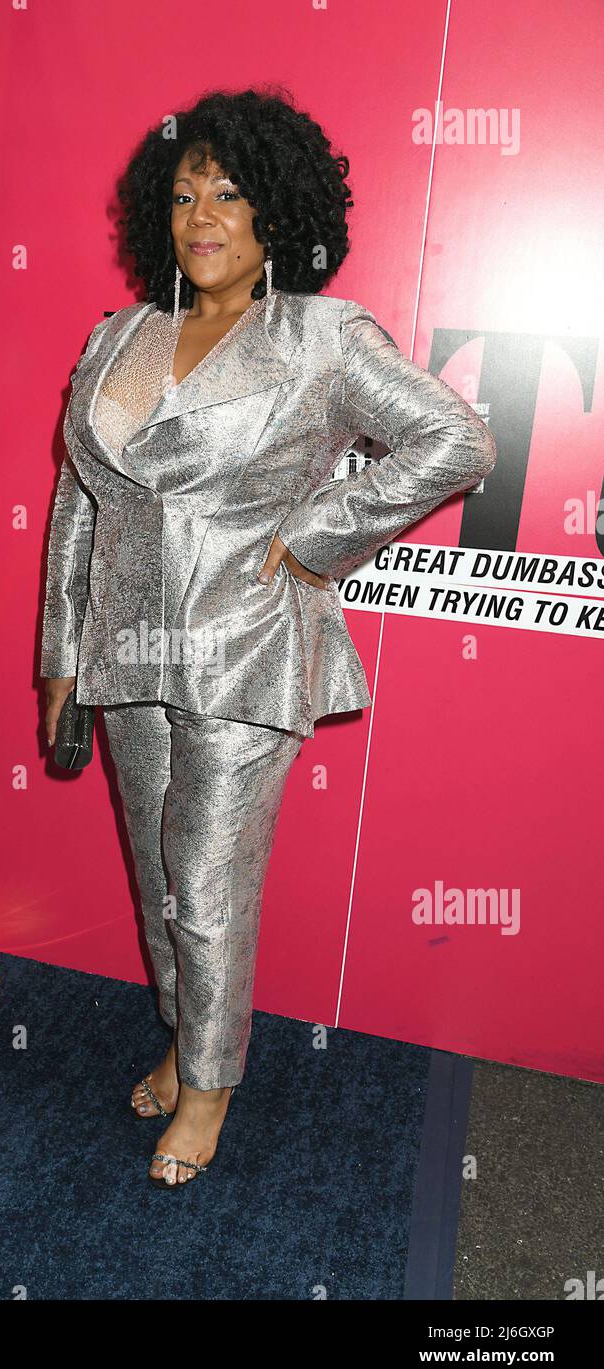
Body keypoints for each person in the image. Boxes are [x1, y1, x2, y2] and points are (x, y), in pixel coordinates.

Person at [40, 87, 497, 1188]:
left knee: (205, 881)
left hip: (244, 648)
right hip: (125, 651)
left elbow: (456, 439)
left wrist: (314, 536)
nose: (203, 214)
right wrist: (60, 656)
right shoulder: (119, 339)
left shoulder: (319, 336)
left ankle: (209, 1085)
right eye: (185, 191)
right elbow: (76, 501)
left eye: (230, 191)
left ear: (276, 210)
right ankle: (179, 1030)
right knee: (156, 870)